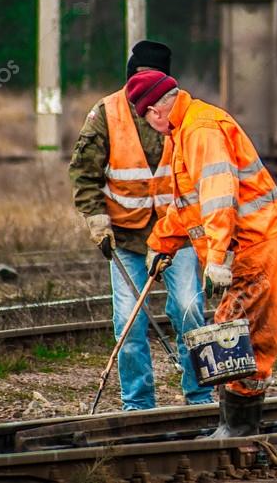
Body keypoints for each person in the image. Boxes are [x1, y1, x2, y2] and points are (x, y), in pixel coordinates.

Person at [125, 70, 277, 438]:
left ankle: (239, 428)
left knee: (239, 332)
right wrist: (161, 243)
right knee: (235, 330)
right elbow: (187, 203)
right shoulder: (184, 129)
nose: (151, 126)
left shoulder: (199, 130)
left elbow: (219, 198)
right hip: (246, 241)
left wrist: (217, 259)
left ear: (155, 110)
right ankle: (234, 424)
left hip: (253, 240)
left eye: (146, 119)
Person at [68, 41, 214, 410]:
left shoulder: (184, 113)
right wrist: (96, 219)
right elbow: (84, 174)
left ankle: (200, 396)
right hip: (127, 238)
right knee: (128, 324)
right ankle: (138, 404)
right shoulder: (105, 113)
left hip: (177, 235)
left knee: (188, 310)